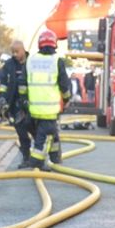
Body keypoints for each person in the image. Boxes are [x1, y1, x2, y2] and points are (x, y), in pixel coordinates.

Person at [27, 28, 71, 169]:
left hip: (33, 109)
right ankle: (36, 162)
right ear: (54, 44)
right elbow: (64, 85)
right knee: (43, 138)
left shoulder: (31, 60)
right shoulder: (57, 61)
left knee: (53, 133)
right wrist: (66, 99)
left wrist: (23, 102)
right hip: (49, 110)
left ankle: (55, 157)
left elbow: (23, 83)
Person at [0, 39, 37, 168]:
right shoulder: (9, 65)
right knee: (21, 132)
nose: (14, 54)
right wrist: (2, 98)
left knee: (36, 131)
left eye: (16, 51)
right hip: (15, 105)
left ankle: (39, 157)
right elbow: (3, 83)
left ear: (23, 50)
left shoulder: (33, 62)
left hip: (32, 104)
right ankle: (26, 158)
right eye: (12, 52)